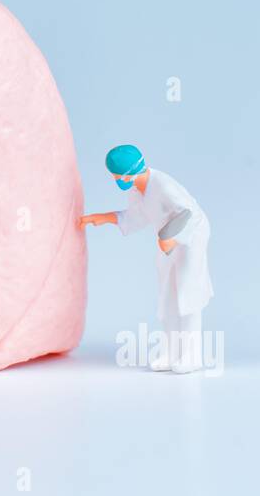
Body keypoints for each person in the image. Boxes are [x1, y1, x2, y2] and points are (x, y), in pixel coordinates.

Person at [79, 144, 213, 374]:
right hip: (166, 238)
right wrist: (106, 217)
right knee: (167, 293)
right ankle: (171, 352)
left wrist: (172, 239)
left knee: (187, 292)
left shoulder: (163, 185)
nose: (114, 179)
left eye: (114, 175)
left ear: (123, 174)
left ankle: (191, 355)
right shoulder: (137, 189)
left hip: (191, 237)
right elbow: (137, 216)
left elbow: (188, 213)